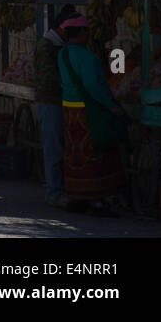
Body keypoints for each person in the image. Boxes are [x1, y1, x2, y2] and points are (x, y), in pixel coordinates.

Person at [58, 15, 128, 216]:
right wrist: (111, 106)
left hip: (69, 109)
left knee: (73, 153)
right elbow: (94, 87)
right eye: (86, 32)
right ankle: (95, 198)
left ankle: (76, 195)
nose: (88, 36)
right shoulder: (88, 57)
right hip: (88, 110)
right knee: (94, 151)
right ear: (81, 33)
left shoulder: (62, 54)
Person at [34, 5, 79, 208]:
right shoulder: (48, 46)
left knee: (62, 148)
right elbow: (50, 78)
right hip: (51, 102)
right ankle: (54, 192)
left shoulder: (58, 45)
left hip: (59, 101)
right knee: (54, 149)